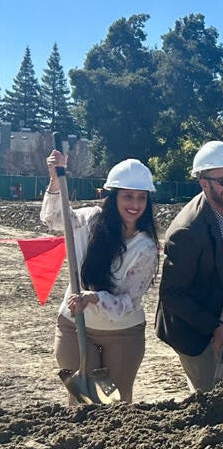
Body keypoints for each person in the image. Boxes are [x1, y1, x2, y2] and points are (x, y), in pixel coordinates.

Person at [41, 152, 160, 403]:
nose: (135, 204)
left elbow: (129, 301)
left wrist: (95, 298)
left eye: (141, 198)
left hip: (122, 333)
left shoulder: (145, 247)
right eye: (128, 196)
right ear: (113, 196)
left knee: (114, 403)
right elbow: (53, 218)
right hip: (75, 327)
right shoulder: (89, 221)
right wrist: (55, 178)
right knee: (83, 400)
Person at [156, 140, 223, 392]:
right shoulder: (187, 231)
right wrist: (213, 327)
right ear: (204, 183)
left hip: (214, 311)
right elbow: (172, 295)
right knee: (208, 393)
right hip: (188, 325)